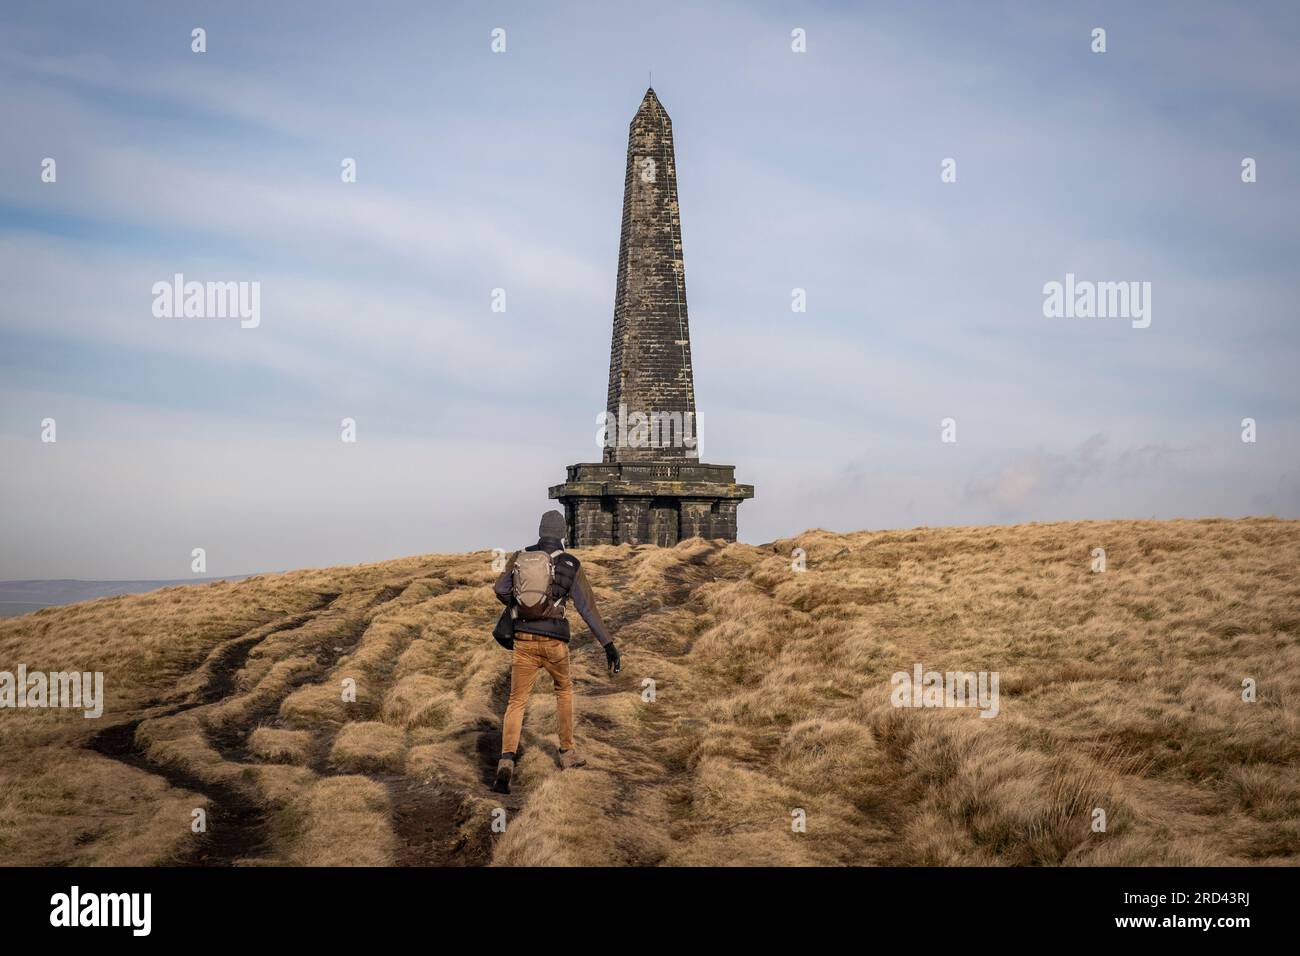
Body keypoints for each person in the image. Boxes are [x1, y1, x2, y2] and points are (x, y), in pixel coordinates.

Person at [491, 510, 620, 793]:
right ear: (562, 532)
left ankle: (506, 762)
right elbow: (587, 608)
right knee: (563, 691)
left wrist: (520, 604)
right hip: (554, 643)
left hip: (523, 639)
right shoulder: (571, 564)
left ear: (540, 531)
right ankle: (567, 754)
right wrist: (608, 645)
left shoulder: (520, 557)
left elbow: (499, 589)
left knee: (516, 701)